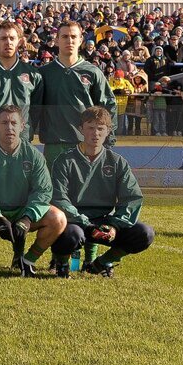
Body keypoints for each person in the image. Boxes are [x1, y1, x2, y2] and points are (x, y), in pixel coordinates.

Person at [50, 106, 155, 278]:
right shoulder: (64, 160)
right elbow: (58, 198)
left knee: (145, 233)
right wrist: (86, 224)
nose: (95, 133)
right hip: (75, 221)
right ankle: (61, 264)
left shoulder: (117, 162)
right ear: (81, 129)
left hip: (104, 221)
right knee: (69, 234)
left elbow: (131, 198)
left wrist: (113, 225)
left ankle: (101, 263)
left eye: (100, 128)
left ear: (108, 131)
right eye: (90, 128)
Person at [0, 106, 66, 277]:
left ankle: (27, 260)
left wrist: (28, 217)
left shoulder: (34, 155)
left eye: (14, 123)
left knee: (58, 219)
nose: (9, 127)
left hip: (23, 210)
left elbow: (43, 191)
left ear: (22, 126)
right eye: (4, 122)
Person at [38, 21, 116, 168]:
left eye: (74, 36)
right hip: (54, 144)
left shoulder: (93, 72)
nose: (70, 40)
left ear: (81, 40)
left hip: (86, 143)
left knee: (86, 189)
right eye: (65, 36)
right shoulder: (44, 74)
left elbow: (108, 107)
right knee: (54, 189)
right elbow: (33, 109)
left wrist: (107, 140)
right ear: (56, 40)